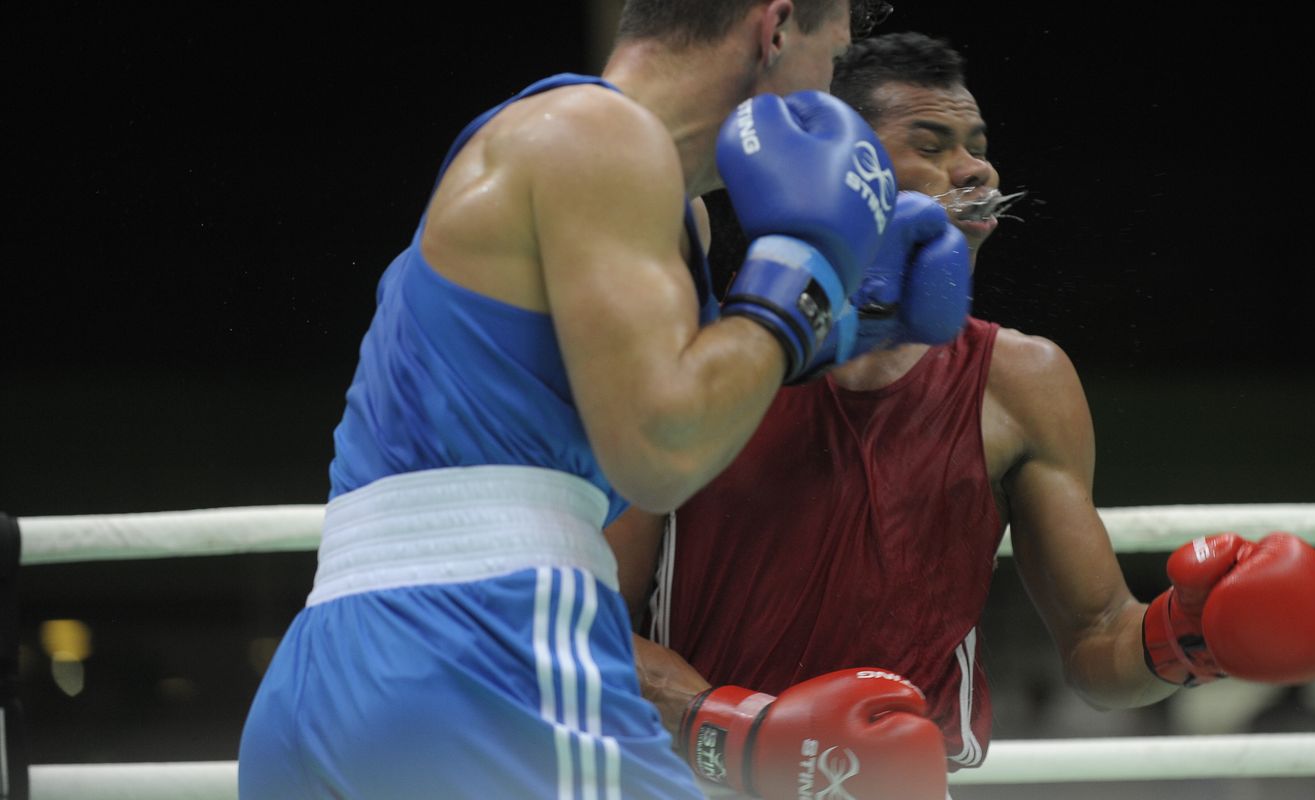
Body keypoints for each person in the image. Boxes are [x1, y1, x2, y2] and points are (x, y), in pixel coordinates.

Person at [235, 2, 973, 798]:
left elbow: (655, 398)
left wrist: (845, 324)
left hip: (333, 668)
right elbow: (663, 451)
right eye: (832, 61)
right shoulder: (603, 135)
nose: (831, 98)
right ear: (776, 28)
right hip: (487, 637)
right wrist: (806, 270)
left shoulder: (603, 166)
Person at [605, 31, 1315, 797]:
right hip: (690, 783)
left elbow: (1099, 642)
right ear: (843, 171)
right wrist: (745, 737)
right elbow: (587, 629)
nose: (977, 170)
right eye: (932, 144)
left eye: (978, 146)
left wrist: (1186, 637)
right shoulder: (706, 360)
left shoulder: (1020, 381)